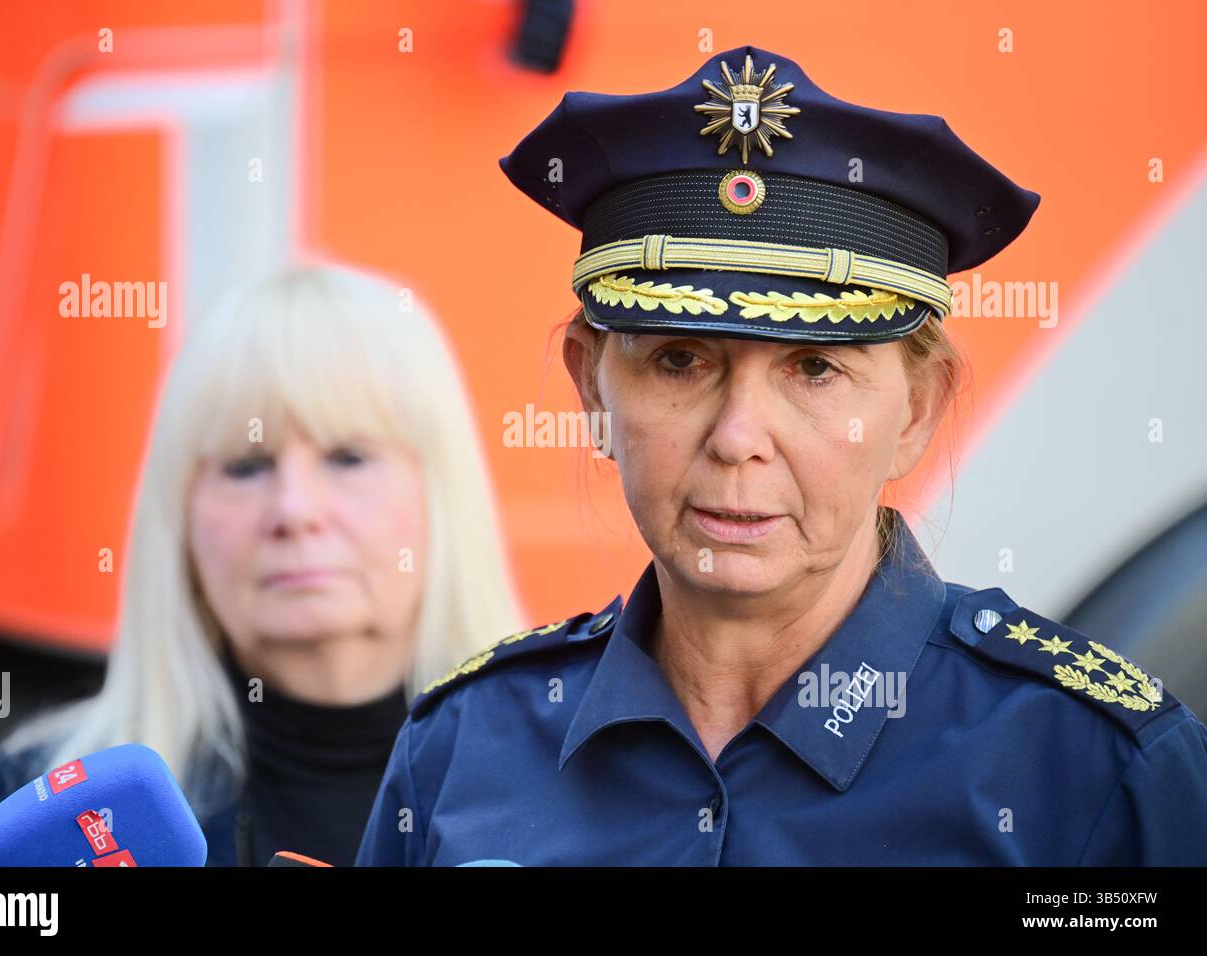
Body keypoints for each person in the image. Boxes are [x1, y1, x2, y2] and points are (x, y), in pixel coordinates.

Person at [355, 45, 1207, 865]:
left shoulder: (1095, 774)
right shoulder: (462, 750)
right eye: (679, 360)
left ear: (919, 408)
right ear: (591, 388)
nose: (737, 439)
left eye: (814, 369)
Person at [0, 263, 521, 866]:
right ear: (179, 516)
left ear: (442, 492)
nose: (295, 510)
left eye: (348, 457)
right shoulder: (54, 813)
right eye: (246, 466)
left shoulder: (570, 780)